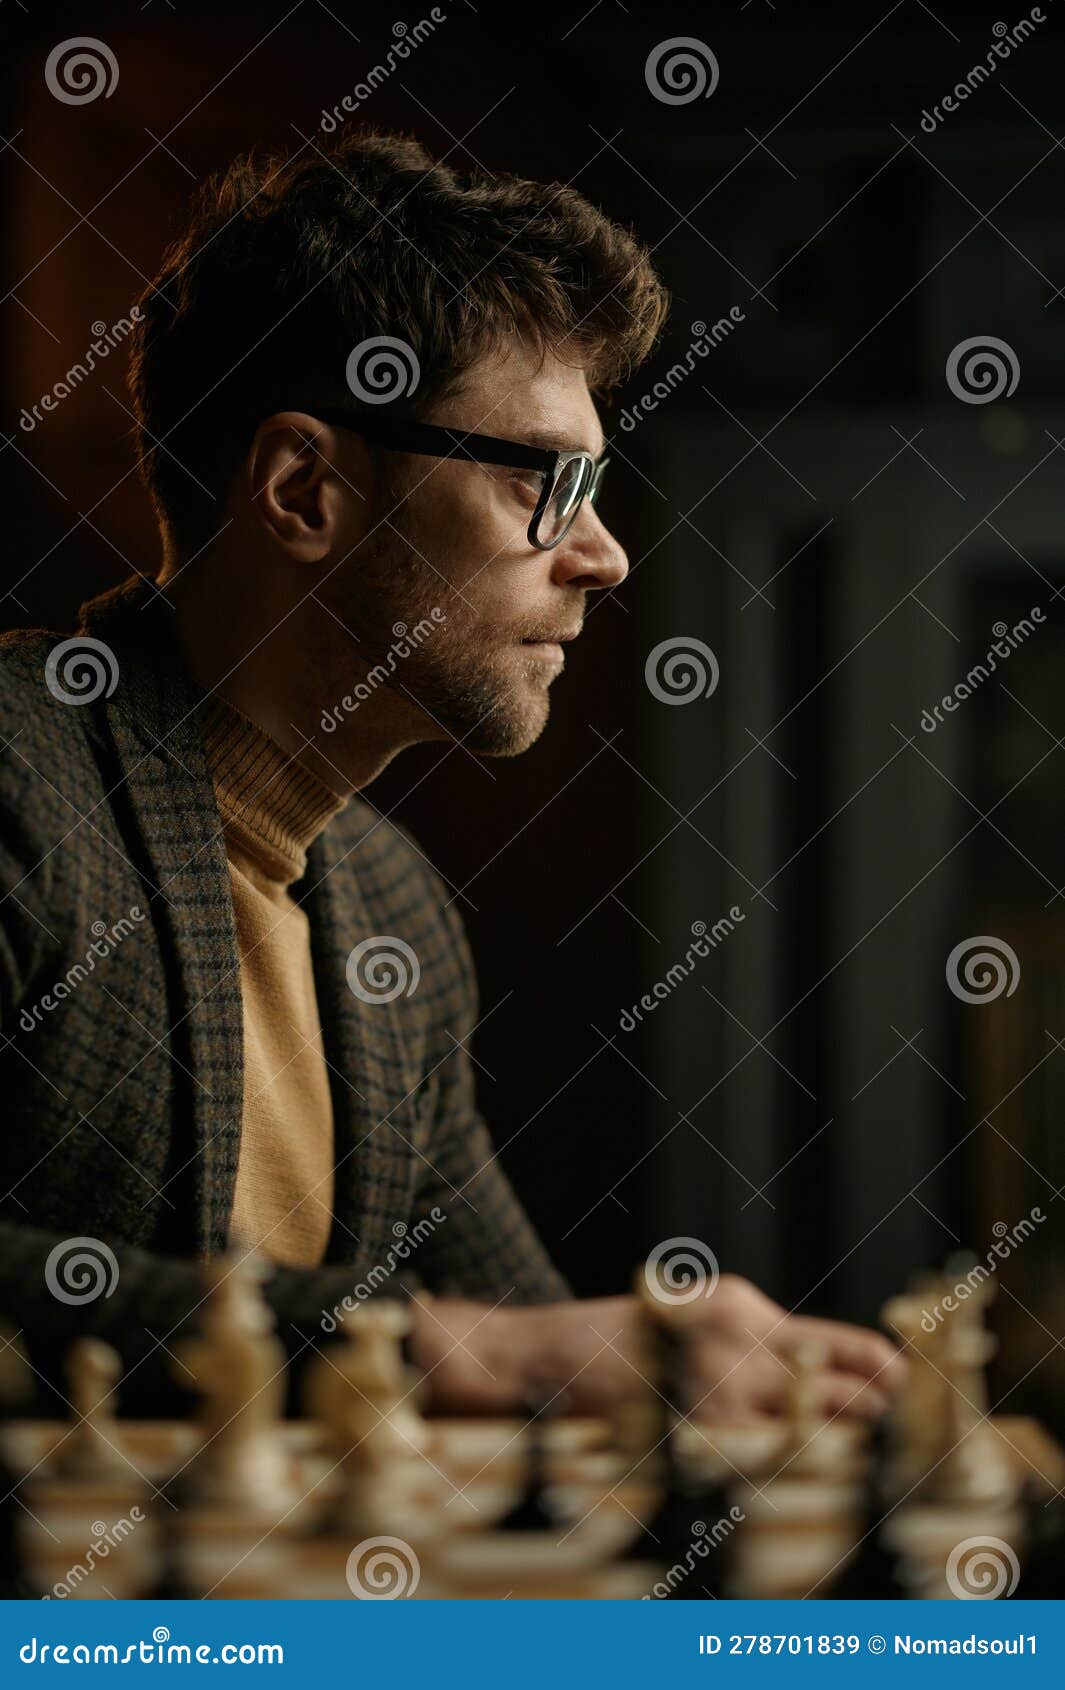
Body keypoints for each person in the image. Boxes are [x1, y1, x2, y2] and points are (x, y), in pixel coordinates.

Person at [0, 130, 903, 1419]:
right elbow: (492, 1348)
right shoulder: (17, 781)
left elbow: (546, 1346)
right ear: (305, 488)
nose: (605, 557)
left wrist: (714, 1372)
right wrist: (458, 1357)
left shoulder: (392, 914)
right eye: (546, 481)